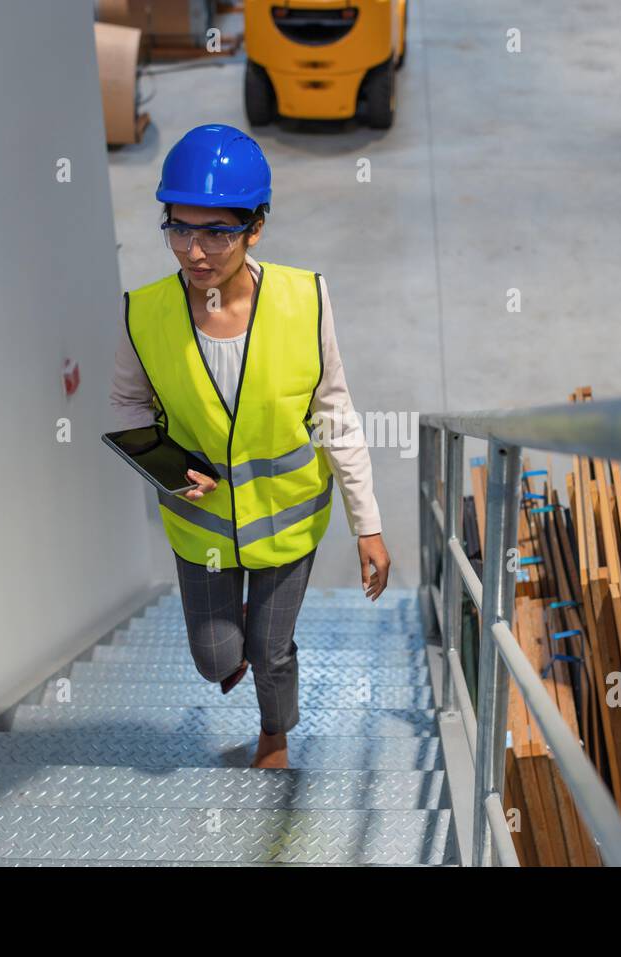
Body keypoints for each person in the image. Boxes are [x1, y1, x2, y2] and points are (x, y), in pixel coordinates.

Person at [110, 123, 391, 769]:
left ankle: (275, 733)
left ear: (255, 227)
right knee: (215, 659)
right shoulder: (143, 315)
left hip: (288, 523)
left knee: (271, 651)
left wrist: (366, 525)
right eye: (179, 228)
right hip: (203, 528)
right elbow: (126, 406)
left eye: (216, 232)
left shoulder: (305, 298)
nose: (195, 250)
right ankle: (233, 633)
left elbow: (334, 412)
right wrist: (166, 466)